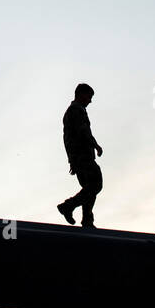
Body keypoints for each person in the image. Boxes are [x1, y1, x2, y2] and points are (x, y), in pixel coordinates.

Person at [58, 83, 103, 228]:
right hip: (82, 156)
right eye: (89, 96)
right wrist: (95, 145)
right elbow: (83, 131)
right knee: (96, 183)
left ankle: (87, 221)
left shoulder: (73, 111)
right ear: (81, 94)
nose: (90, 100)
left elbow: (67, 138)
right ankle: (68, 206)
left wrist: (72, 160)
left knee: (89, 188)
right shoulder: (76, 111)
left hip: (78, 157)